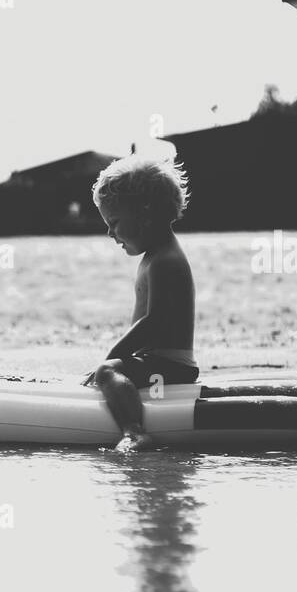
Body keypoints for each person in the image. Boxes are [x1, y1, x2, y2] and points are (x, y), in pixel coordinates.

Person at [81, 156, 197, 452]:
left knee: (108, 371)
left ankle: (134, 431)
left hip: (169, 366)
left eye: (115, 222)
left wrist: (110, 360)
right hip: (158, 362)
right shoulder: (155, 255)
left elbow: (155, 323)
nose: (109, 233)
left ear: (145, 212)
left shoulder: (165, 261)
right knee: (110, 368)